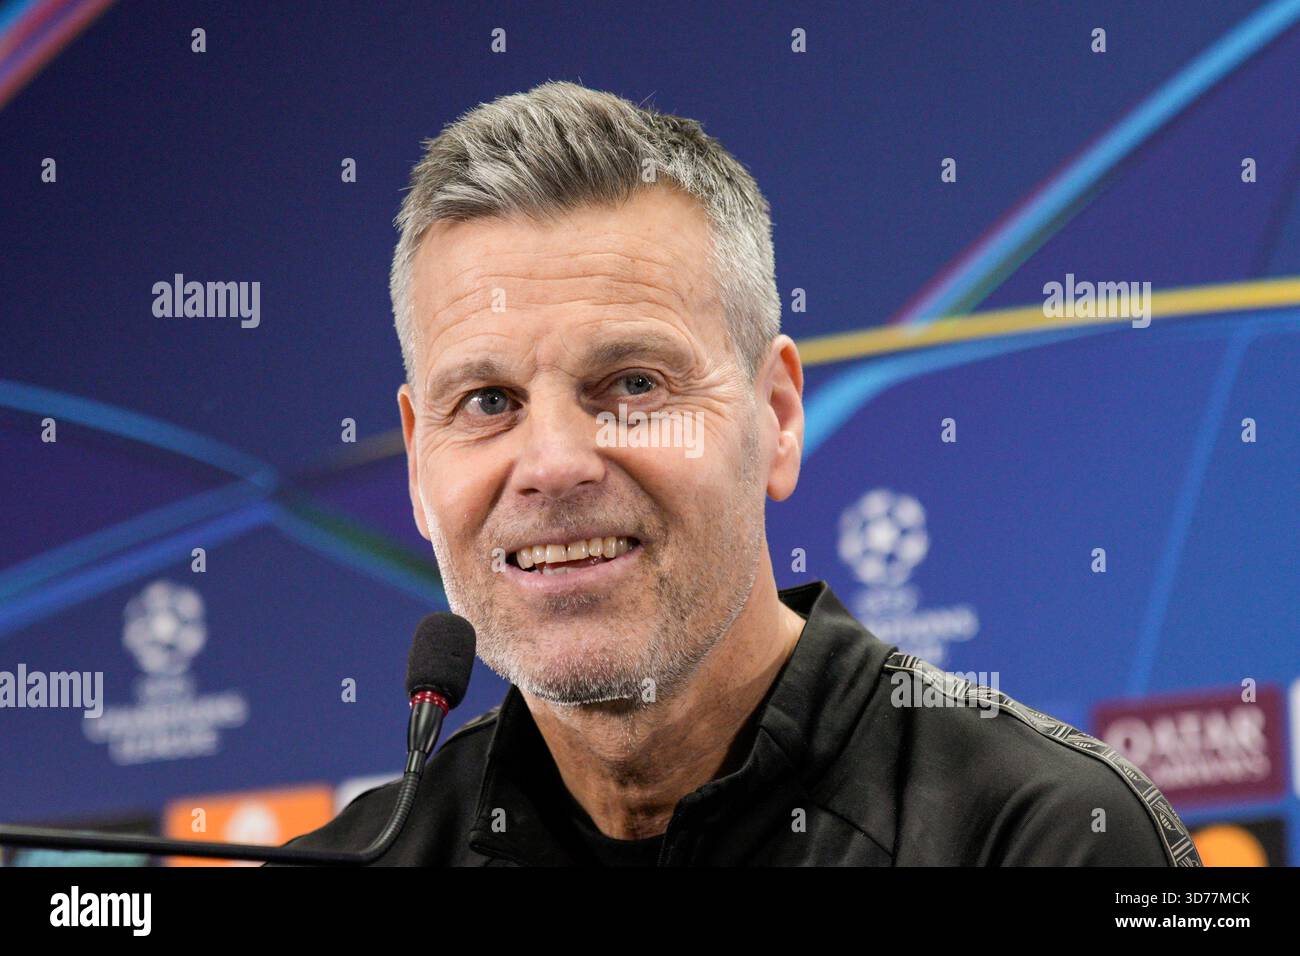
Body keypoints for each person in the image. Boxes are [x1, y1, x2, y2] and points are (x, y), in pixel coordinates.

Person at [278, 80, 1201, 866]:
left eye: (633, 384)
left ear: (777, 418)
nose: (553, 465)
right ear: (416, 462)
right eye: (486, 402)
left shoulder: (1048, 838)